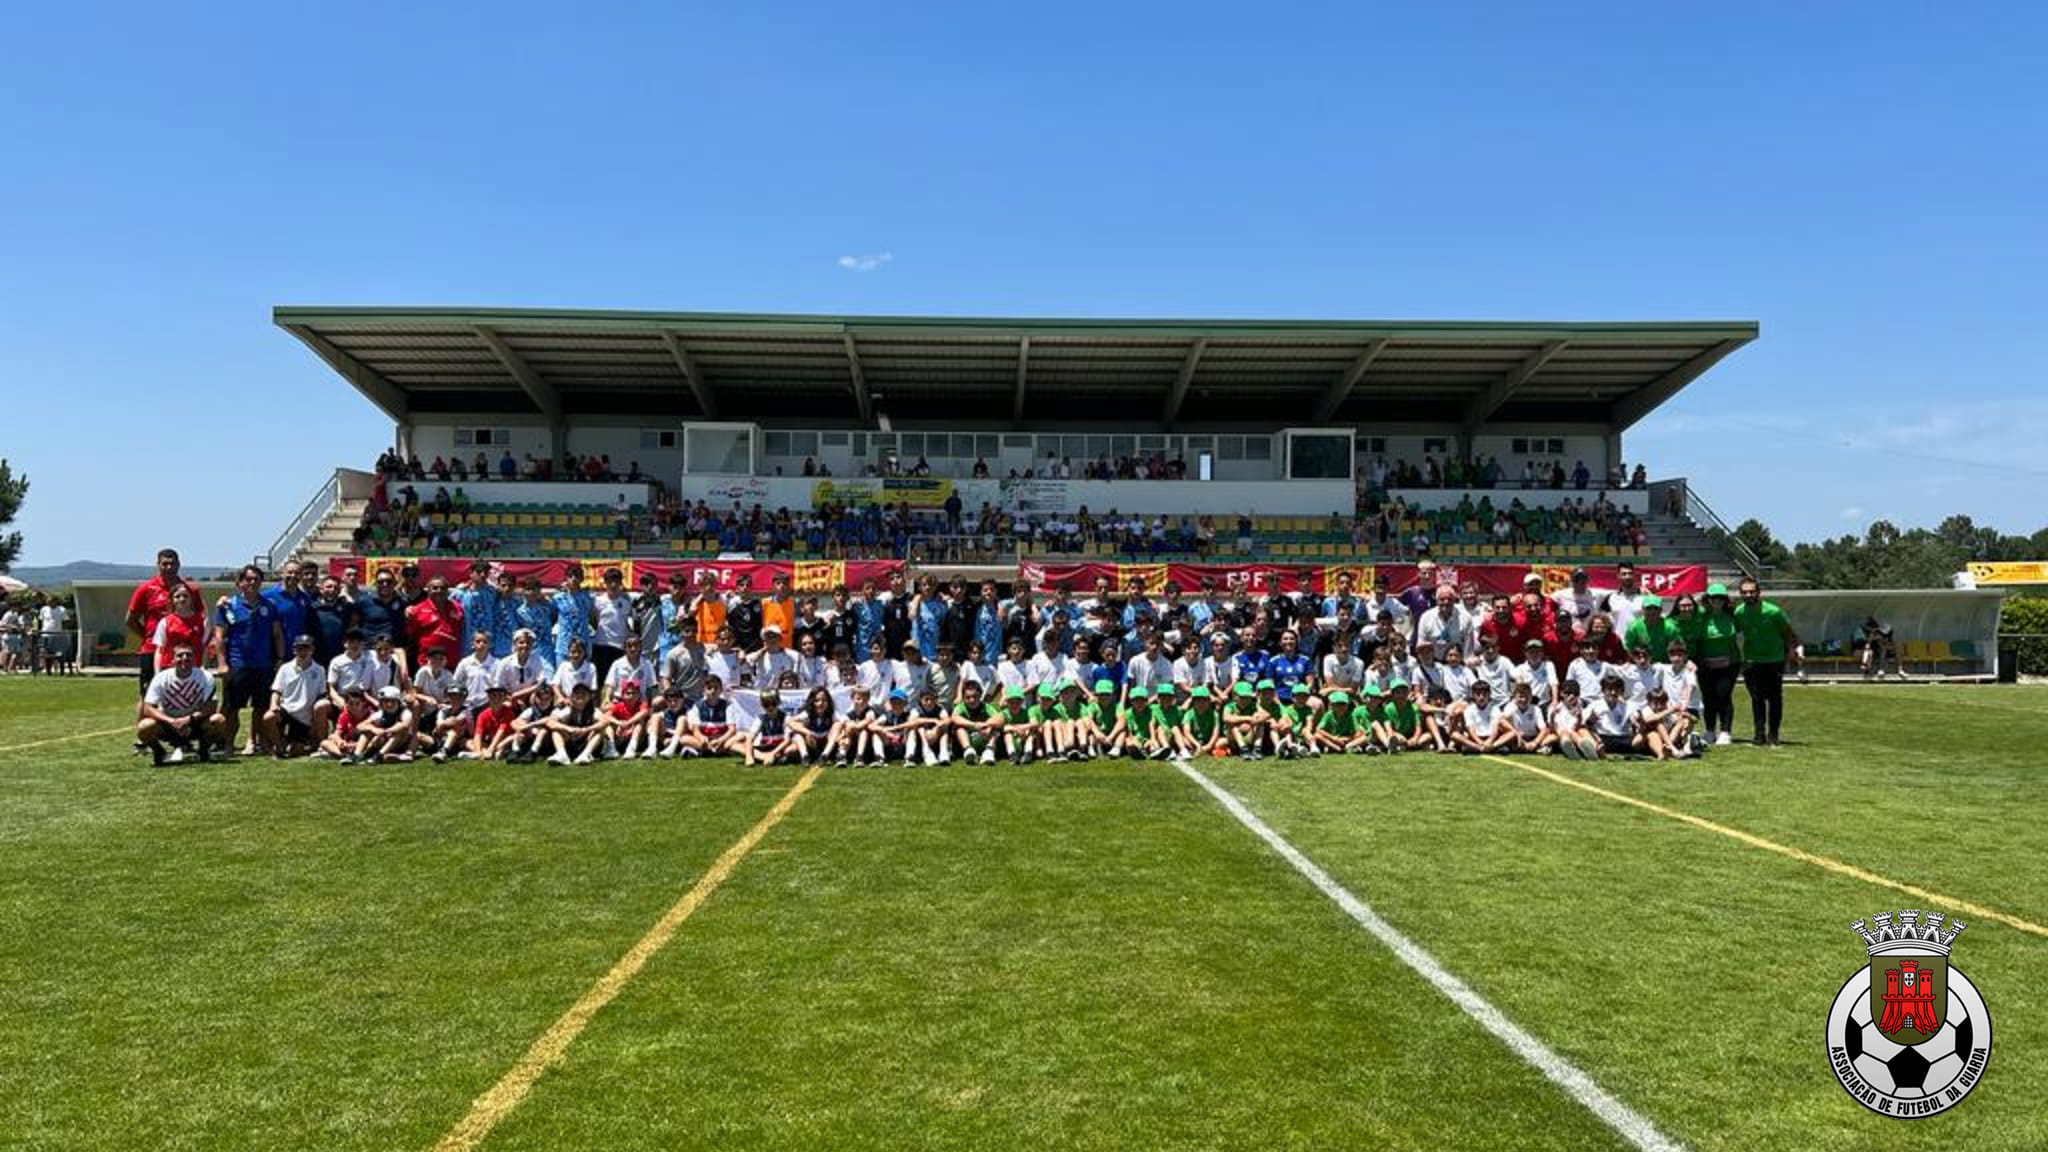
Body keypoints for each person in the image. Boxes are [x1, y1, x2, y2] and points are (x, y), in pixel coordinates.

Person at [213, 565, 284, 755]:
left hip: (263, 665)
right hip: (237, 664)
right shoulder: (228, 606)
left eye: (256, 579)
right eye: (248, 579)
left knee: (260, 707)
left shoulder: (269, 606)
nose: (252, 583)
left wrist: (279, 658)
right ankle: (228, 744)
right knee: (231, 708)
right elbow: (219, 636)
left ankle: (253, 742)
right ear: (239, 583)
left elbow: (277, 634)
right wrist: (222, 663)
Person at [126, 547, 205, 696]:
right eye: (164, 564)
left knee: (185, 694)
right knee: (149, 695)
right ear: (158, 565)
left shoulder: (190, 591)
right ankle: (142, 720)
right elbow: (130, 620)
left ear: (178, 565)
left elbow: (200, 619)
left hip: (184, 653)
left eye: (172, 564)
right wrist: (149, 637)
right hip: (152, 650)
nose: (169, 568)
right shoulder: (146, 589)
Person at [1733, 577, 1799, 746]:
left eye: (1752, 591)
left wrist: (1792, 652)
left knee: (1775, 698)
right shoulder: (1739, 612)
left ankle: (1774, 735)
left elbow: (1788, 633)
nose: (1748, 595)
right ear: (1740, 594)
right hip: (1751, 661)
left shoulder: (1774, 612)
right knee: (1756, 698)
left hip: (1774, 660)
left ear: (1759, 592)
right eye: (1745, 592)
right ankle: (1759, 735)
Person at [138, 643, 227, 765]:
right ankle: (159, 752)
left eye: (188, 655)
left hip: (196, 723)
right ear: (172, 660)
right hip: (168, 724)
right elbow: (148, 708)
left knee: (218, 720)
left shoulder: (205, 677)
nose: (184, 658)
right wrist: (171, 721)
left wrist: (189, 719)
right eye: (180, 655)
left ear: (194, 659)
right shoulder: (161, 678)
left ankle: (204, 750)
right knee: (144, 727)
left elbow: (212, 706)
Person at [1687, 585, 1742, 746]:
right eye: (1713, 598)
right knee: (1708, 698)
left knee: (1723, 696)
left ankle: (1725, 731)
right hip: (1705, 664)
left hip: (1729, 664)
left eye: (1720, 598)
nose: (1716, 601)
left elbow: (1741, 638)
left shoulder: (1733, 616)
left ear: (1725, 600)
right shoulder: (1701, 617)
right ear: (1708, 600)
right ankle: (1710, 730)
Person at [262, 634, 329, 757]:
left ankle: (303, 741)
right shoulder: (285, 668)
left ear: (312, 650)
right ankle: (279, 747)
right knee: (268, 717)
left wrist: (314, 719)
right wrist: (273, 705)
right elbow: (276, 691)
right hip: (286, 710)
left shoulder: (319, 670)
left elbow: (322, 695)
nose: (303, 652)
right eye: (299, 649)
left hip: (304, 716)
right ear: (294, 651)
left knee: (296, 751)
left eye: (306, 648)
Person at [1859, 616, 1902, 680]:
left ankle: (1899, 669)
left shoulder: (1881, 634)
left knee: (1894, 648)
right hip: (1877, 652)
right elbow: (1868, 645)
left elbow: (1890, 643)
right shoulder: (1873, 635)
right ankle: (1872, 669)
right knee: (1875, 651)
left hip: (1882, 651)